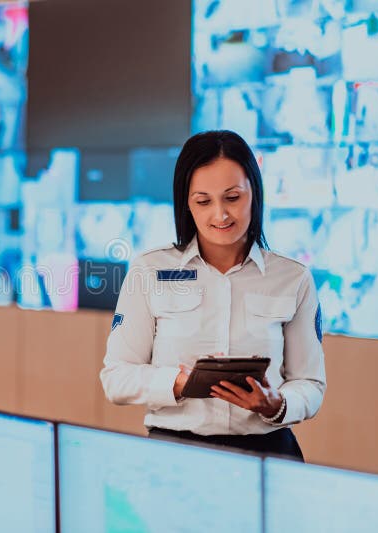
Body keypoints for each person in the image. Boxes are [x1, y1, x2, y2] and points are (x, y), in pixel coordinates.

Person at [100, 130, 326, 460]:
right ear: (186, 203)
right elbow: (116, 377)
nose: (220, 215)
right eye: (203, 202)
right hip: (175, 453)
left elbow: (310, 383)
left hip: (268, 454)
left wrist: (277, 404)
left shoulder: (293, 278)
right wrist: (180, 383)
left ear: (254, 194)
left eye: (233, 198)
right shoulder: (149, 271)